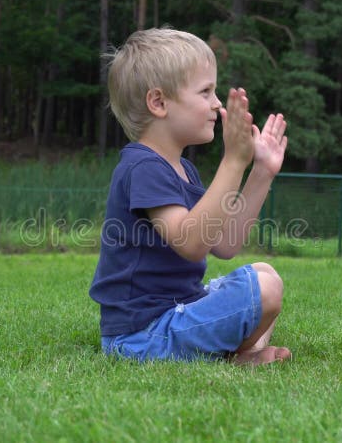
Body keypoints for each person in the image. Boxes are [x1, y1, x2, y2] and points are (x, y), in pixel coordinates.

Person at [89, 27, 291, 366]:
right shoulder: (143, 167)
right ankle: (238, 356)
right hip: (142, 336)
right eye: (206, 91)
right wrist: (233, 160)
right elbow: (191, 244)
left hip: (178, 310)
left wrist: (260, 173)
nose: (215, 103)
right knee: (263, 290)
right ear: (159, 102)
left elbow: (224, 244)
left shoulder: (181, 168)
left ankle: (237, 352)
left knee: (264, 272)